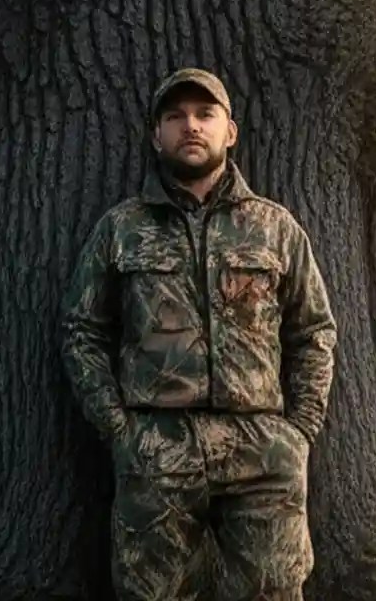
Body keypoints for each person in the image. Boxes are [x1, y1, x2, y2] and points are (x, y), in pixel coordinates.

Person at [60, 67, 338, 600]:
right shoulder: (122, 227)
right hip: (156, 450)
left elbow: (314, 331)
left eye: (205, 114)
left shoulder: (275, 228)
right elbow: (81, 330)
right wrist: (120, 428)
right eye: (176, 117)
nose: (191, 126)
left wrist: (299, 430)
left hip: (263, 451)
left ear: (229, 131)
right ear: (156, 135)